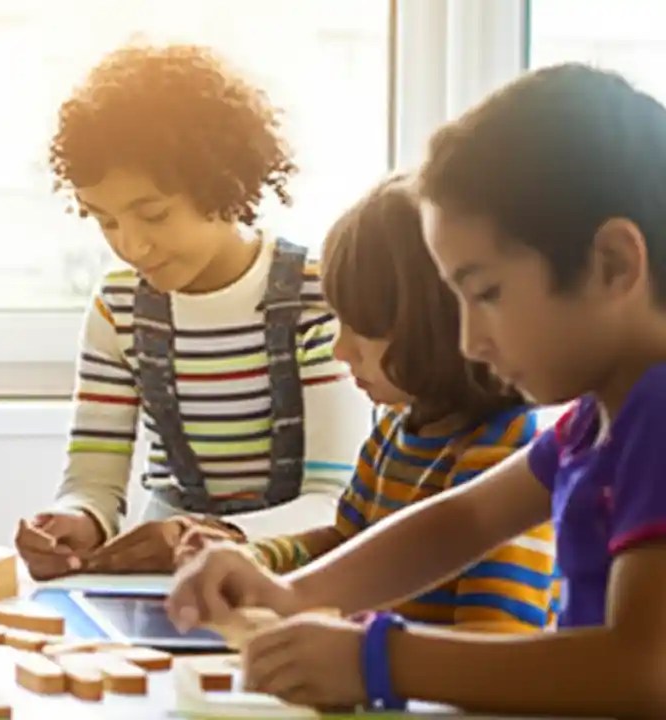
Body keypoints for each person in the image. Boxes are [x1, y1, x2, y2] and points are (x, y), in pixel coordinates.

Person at [168, 64, 666, 717]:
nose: (468, 341)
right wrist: (290, 593)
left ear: (613, 264)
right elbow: (464, 519)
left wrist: (379, 660)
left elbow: (644, 670)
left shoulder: (657, 417)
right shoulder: (597, 421)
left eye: (486, 293)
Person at [16, 44, 370, 579]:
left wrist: (204, 537)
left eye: (153, 214)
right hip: (168, 580)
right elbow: (93, 484)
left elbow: (334, 503)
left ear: (222, 185)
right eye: (105, 220)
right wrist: (74, 521)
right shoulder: (119, 310)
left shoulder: (317, 298)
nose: (130, 245)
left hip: (294, 575)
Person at [198, 174, 554, 632]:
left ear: (440, 324)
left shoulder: (506, 448)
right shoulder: (393, 430)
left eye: (363, 328)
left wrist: (365, 660)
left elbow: (497, 636)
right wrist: (256, 559)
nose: (340, 350)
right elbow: (343, 543)